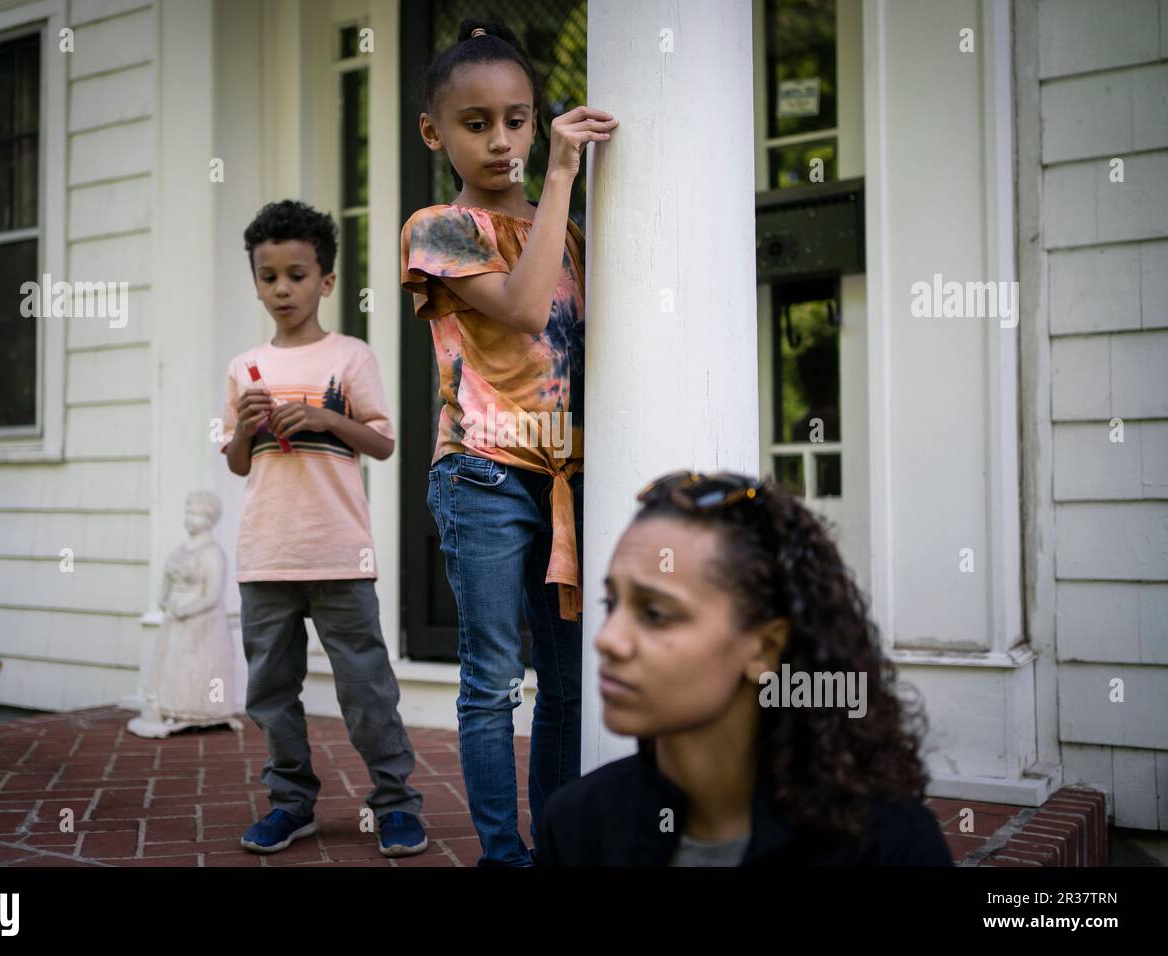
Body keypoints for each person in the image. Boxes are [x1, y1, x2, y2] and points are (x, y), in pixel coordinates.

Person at [399, 17, 617, 866]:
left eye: (518, 120)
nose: (502, 140)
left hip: (564, 478)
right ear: (435, 131)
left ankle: (556, 848)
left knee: (565, 685)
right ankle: (504, 855)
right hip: (482, 475)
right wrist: (562, 171)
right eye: (476, 122)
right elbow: (528, 309)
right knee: (493, 684)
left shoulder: (572, 236)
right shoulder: (439, 229)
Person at [537, 470, 954, 866]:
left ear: (765, 648)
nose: (607, 638)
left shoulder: (886, 846)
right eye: (612, 605)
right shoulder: (577, 826)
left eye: (656, 613)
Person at [222, 200, 426, 857]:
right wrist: (250, 428)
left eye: (297, 275)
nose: (283, 289)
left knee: (366, 692)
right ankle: (291, 804)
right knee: (272, 695)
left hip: (340, 553)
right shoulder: (243, 368)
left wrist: (324, 420)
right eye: (269, 276)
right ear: (255, 281)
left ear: (326, 282)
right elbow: (236, 462)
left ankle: (395, 804)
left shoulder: (350, 358)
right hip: (266, 557)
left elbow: (384, 442)